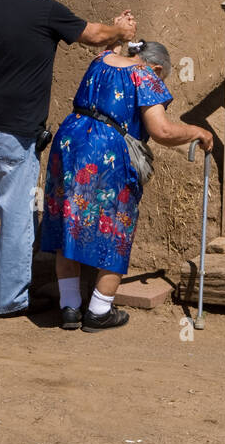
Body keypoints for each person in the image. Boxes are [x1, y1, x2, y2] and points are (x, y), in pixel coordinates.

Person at [0, 0, 136, 318]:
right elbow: (92, 35)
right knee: (16, 214)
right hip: (15, 131)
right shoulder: (43, 10)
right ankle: (10, 302)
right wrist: (121, 33)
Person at [40, 36, 213, 331]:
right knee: (115, 226)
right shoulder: (145, 74)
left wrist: (121, 32)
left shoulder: (101, 61)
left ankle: (69, 308)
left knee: (69, 219)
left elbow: (111, 48)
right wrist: (198, 131)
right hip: (107, 152)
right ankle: (99, 310)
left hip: (68, 142)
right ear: (157, 69)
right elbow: (161, 130)